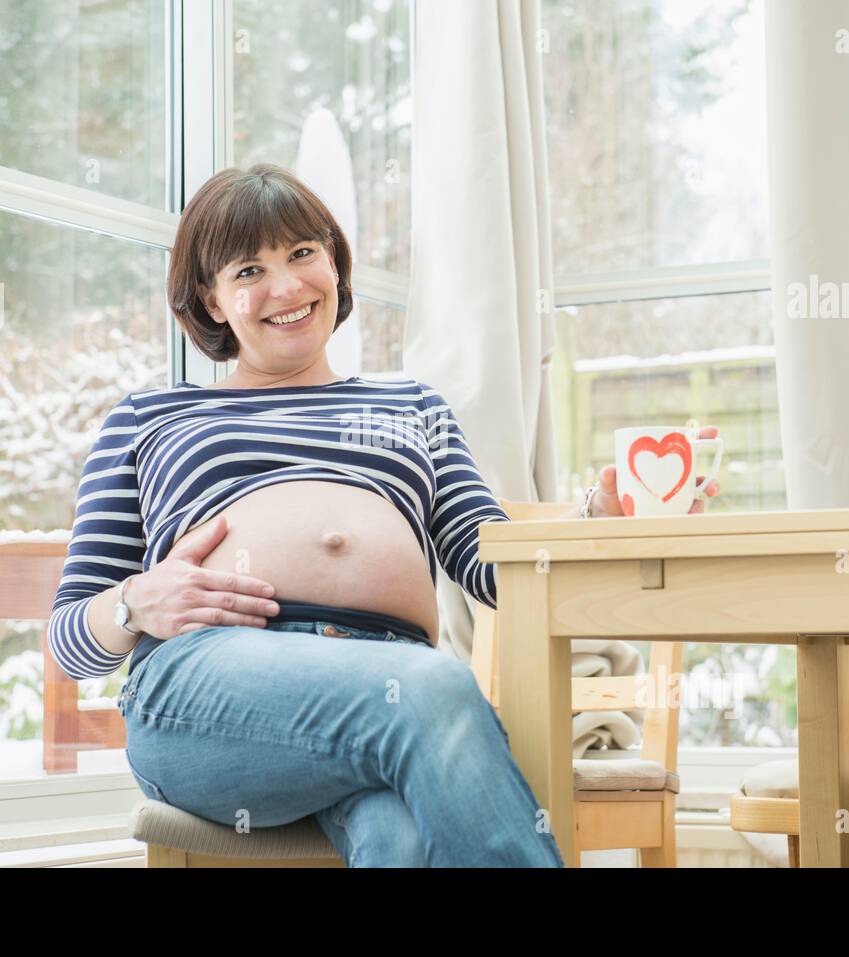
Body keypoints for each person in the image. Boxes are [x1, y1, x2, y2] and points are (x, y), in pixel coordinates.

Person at [48, 163, 719, 866]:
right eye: (249, 269)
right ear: (213, 301)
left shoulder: (413, 408)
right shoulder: (151, 417)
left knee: (402, 837)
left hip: (384, 686)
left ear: (334, 265)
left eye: (303, 253)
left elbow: (496, 568)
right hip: (209, 693)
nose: (286, 286)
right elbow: (69, 646)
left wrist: (596, 524)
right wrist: (135, 600)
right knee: (433, 689)